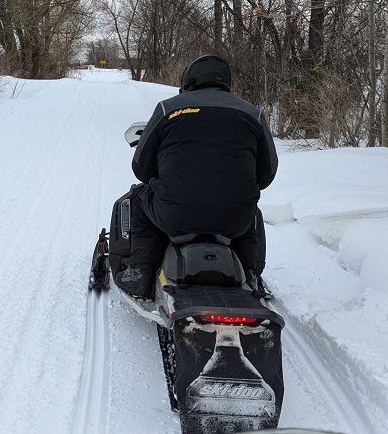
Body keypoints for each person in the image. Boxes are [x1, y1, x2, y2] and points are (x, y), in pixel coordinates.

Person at [114, 53, 278, 300]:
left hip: (175, 216)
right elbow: (266, 173)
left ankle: (140, 273)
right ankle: (251, 276)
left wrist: (158, 180)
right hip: (234, 220)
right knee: (251, 211)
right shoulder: (252, 114)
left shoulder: (168, 108)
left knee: (138, 199)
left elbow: (142, 168)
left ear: (189, 79)